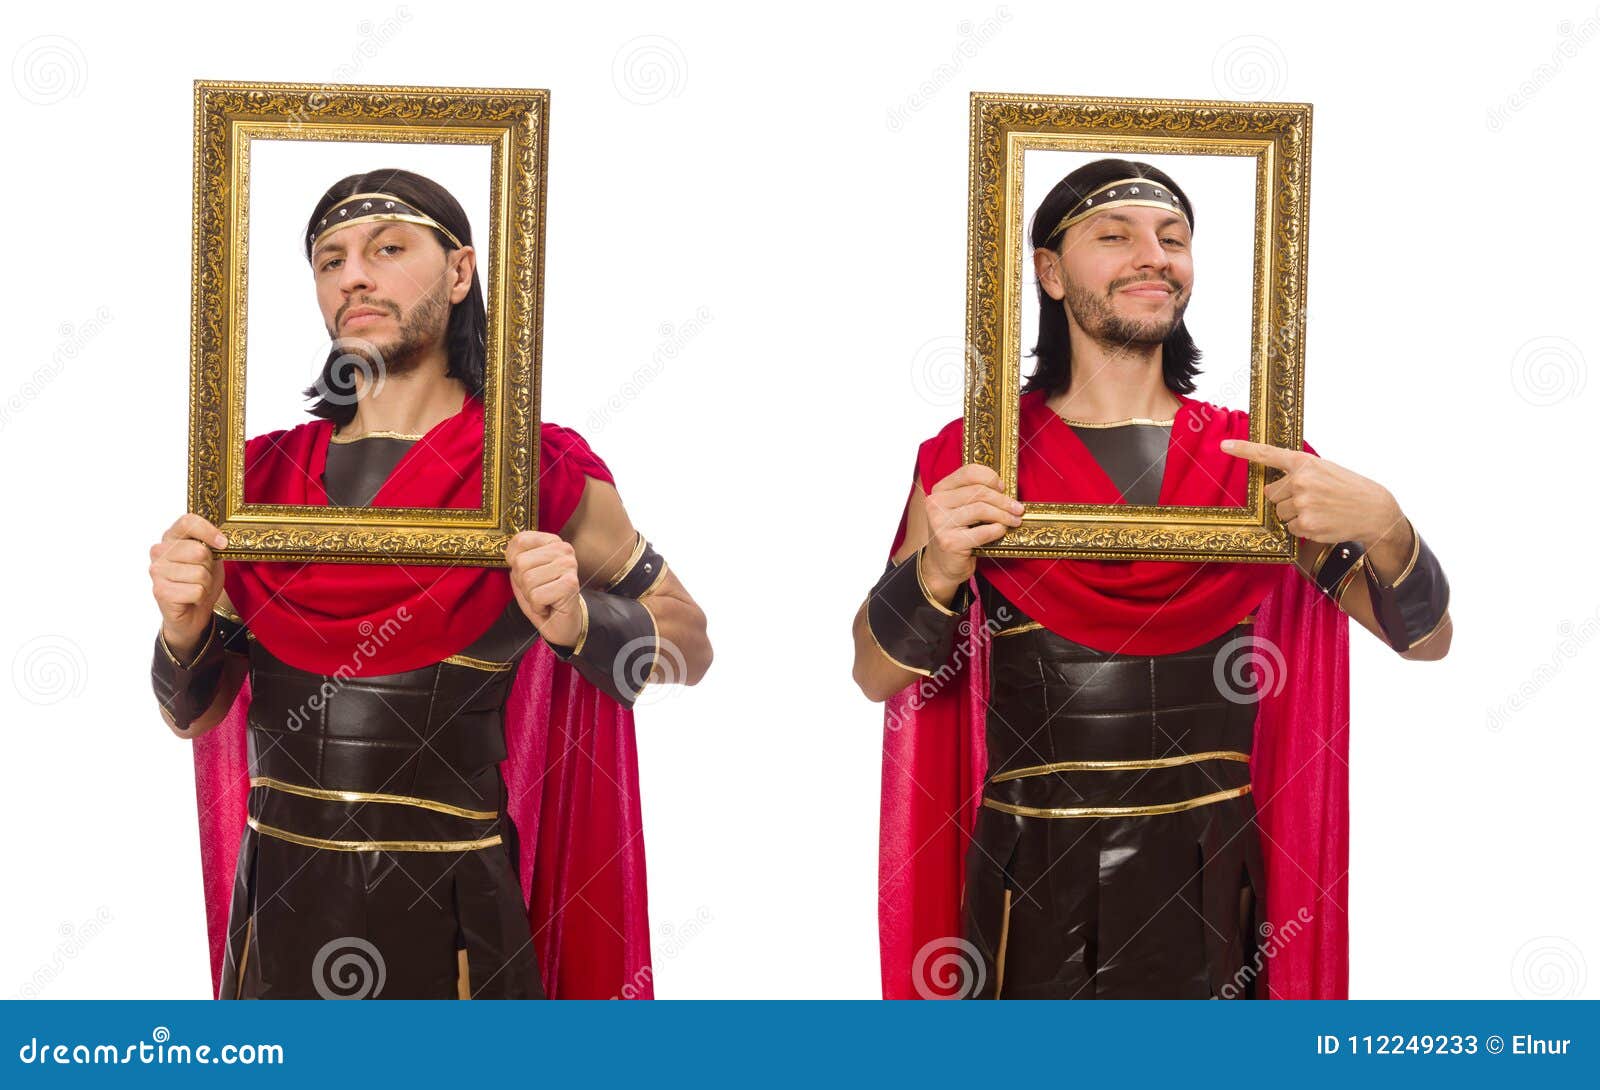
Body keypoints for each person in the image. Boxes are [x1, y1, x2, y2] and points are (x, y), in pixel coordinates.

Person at [853, 159, 1451, 1000]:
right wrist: (938, 566)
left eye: (1173, 239)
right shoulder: (974, 459)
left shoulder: (1254, 462)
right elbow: (876, 672)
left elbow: (1425, 639)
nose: (1153, 256)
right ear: (1050, 273)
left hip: (1212, 886)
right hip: (1032, 882)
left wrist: (1388, 526)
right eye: (1114, 236)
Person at [148, 169, 712, 999]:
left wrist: (582, 619)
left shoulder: (534, 472)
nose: (354, 277)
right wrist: (182, 629)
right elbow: (191, 714)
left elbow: (690, 644)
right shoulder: (260, 481)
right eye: (329, 259)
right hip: (277, 917)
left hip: (456, 927)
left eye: (387, 248)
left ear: (459, 273)